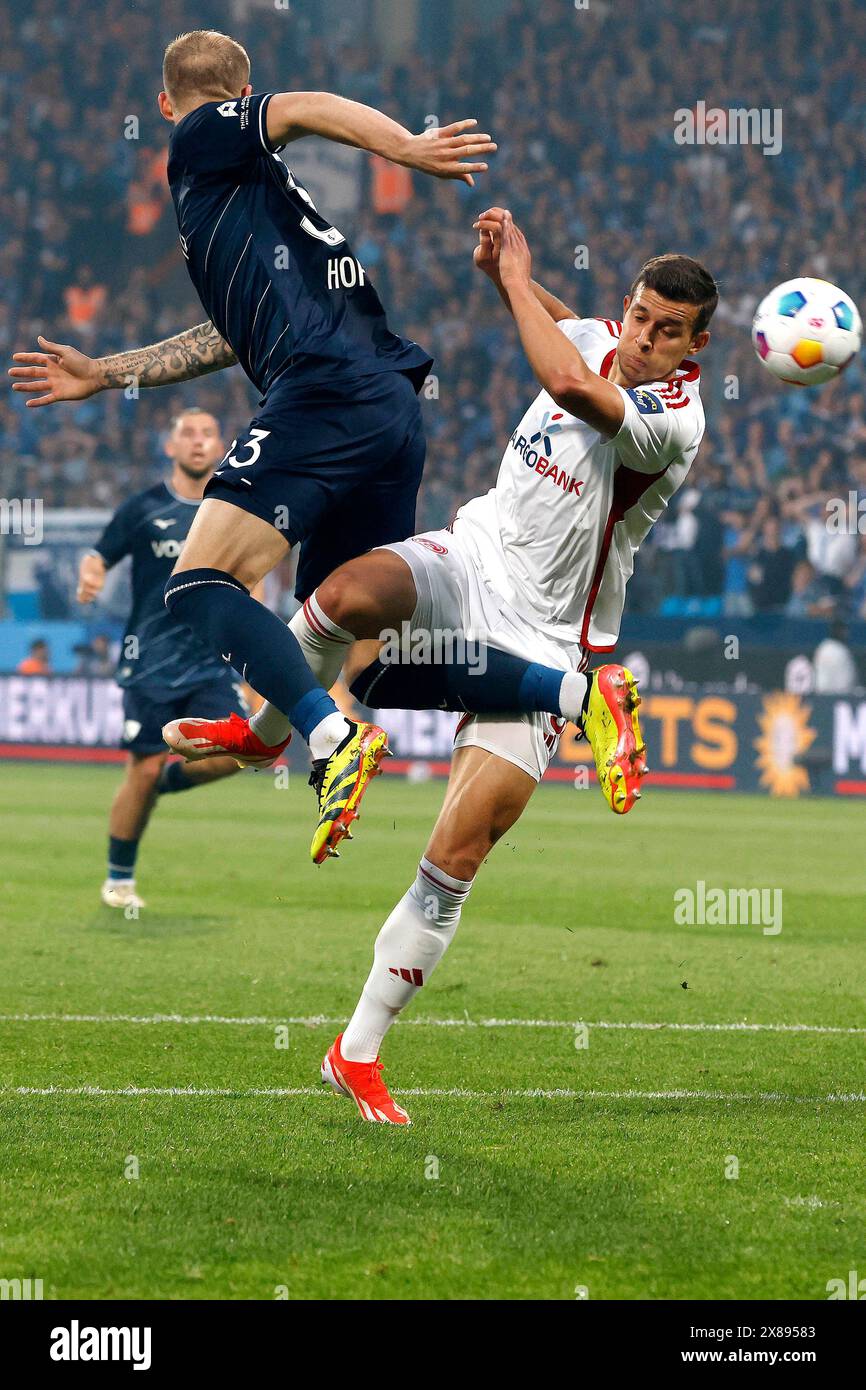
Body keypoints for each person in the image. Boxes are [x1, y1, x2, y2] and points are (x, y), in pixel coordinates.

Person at [171, 208, 716, 1122]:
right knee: (344, 599)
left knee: (454, 857)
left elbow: (567, 381)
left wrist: (516, 281)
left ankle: (356, 1052)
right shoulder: (594, 334)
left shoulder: (675, 417)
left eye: (668, 331)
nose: (643, 338)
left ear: (698, 345)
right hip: (470, 558)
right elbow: (562, 325)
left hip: (547, 628)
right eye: (637, 314)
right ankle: (272, 735)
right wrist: (507, 265)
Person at [9, 27, 497, 865]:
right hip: (388, 406)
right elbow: (221, 339)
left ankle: (328, 739)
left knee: (197, 584)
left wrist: (408, 150)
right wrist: (108, 373)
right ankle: (567, 690)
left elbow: (302, 107)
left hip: (326, 390)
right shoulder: (257, 204)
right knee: (333, 632)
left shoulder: (200, 139)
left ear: (168, 104)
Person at [78, 407, 249, 911]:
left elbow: (252, 584)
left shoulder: (234, 512)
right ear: (170, 447)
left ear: (220, 446)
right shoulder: (143, 508)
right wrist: (91, 574)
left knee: (242, 753)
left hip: (209, 661)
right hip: (148, 662)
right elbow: (99, 553)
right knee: (143, 768)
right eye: (187, 433)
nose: (198, 442)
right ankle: (119, 879)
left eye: (208, 433)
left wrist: (257, 658)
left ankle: (163, 784)